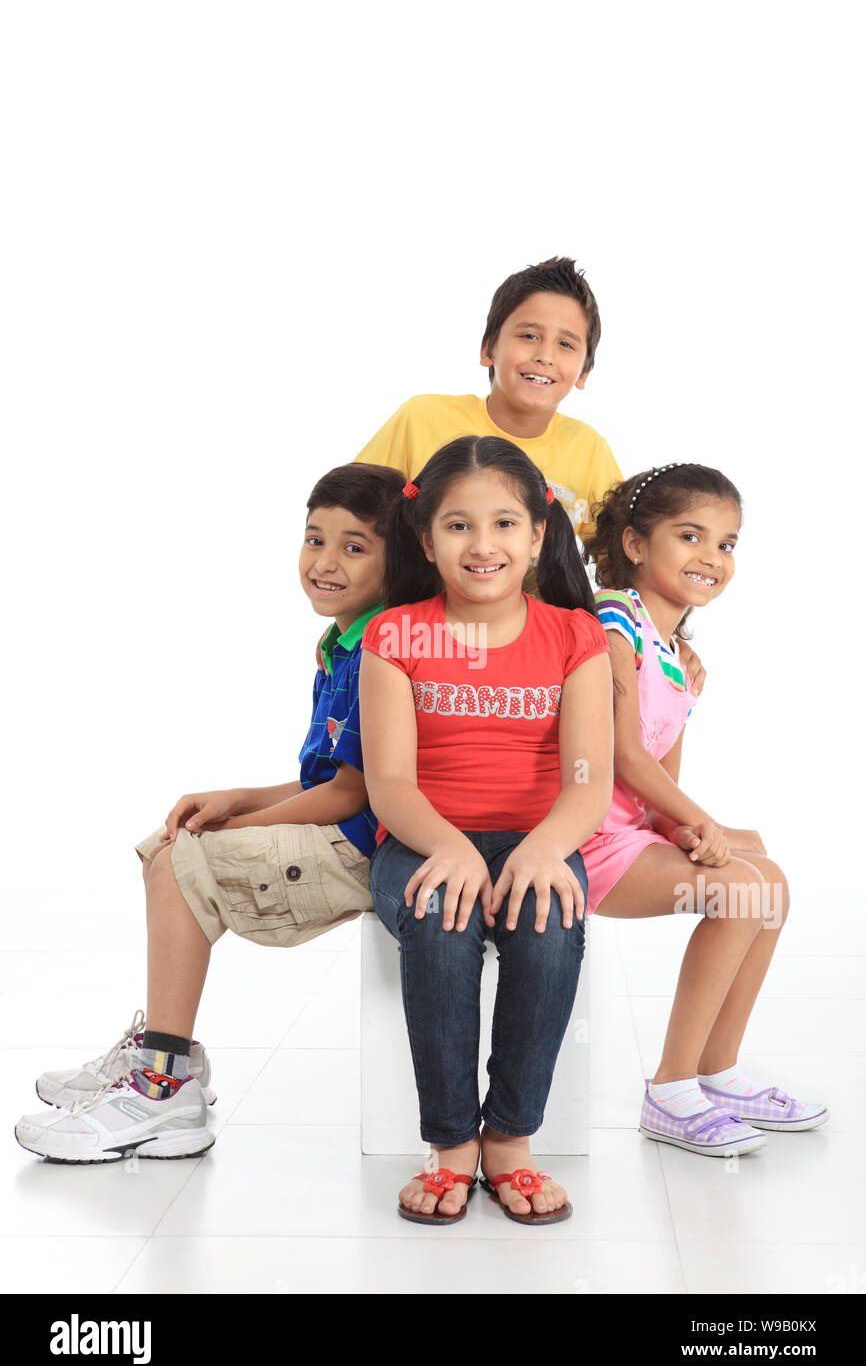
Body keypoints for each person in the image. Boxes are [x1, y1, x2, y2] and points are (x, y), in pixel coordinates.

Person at [15, 463, 403, 1163]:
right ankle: (170, 1056)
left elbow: (353, 797)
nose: (325, 562)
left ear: (396, 558)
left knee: (181, 857)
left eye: (354, 546)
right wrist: (238, 801)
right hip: (343, 831)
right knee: (162, 846)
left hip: (362, 853)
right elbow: (329, 777)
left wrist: (235, 827)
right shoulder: (341, 642)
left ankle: (162, 1088)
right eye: (315, 539)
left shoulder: (379, 646)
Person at [360, 435, 614, 1223]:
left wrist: (544, 847)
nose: (483, 545)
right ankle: (448, 1147)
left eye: (505, 524)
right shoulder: (394, 636)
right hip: (426, 835)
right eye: (458, 526)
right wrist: (451, 847)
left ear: (537, 536)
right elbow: (391, 783)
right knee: (442, 917)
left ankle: (509, 1140)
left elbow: (588, 779)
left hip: (542, 837)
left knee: (546, 924)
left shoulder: (576, 637)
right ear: (428, 540)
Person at [580, 463, 828, 1156]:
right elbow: (623, 757)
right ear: (634, 543)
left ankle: (717, 1072)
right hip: (584, 838)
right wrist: (705, 829)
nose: (711, 558)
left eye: (727, 543)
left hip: (629, 831)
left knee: (767, 883)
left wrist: (696, 829)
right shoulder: (612, 624)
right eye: (691, 536)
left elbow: (661, 781)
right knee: (743, 893)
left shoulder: (678, 654)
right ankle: (671, 1091)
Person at [353, 255, 707, 695]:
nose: (544, 355)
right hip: (415, 647)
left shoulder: (588, 450)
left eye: (566, 344)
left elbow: (628, 563)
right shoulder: (423, 418)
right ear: (489, 349)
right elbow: (353, 518)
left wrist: (666, 639)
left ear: (585, 372)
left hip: (532, 662)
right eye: (528, 336)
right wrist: (351, 624)